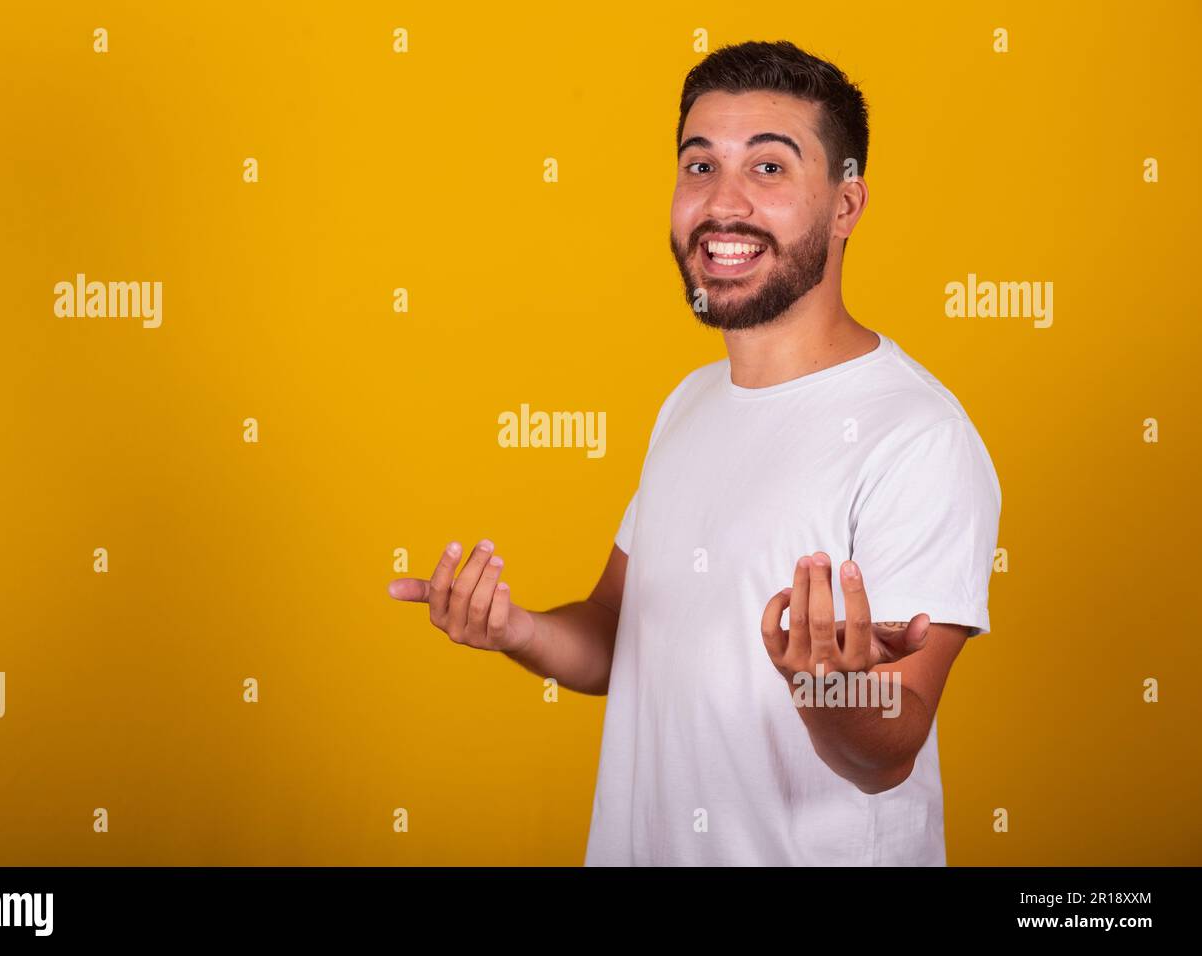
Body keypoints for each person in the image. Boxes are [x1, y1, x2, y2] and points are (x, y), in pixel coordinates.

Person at [388, 40, 1001, 866]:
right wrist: (516, 631)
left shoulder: (918, 439)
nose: (724, 203)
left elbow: (886, 754)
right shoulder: (690, 403)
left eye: (771, 168)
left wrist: (821, 684)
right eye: (700, 165)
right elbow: (617, 633)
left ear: (846, 204)